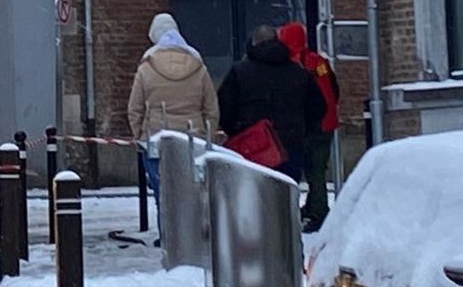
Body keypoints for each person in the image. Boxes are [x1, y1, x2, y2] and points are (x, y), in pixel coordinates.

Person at [127, 13, 219, 211]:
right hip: (194, 141)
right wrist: (207, 137)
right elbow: (211, 109)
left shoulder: (146, 67)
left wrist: (141, 136)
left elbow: (134, 108)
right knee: (192, 194)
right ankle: (190, 237)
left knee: (165, 196)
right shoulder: (198, 66)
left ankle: (168, 237)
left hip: (156, 140)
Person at [216, 24, 326, 181]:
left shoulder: (239, 72)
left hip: (250, 146)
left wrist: (235, 130)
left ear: (253, 43)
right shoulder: (298, 73)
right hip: (290, 144)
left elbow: (224, 107)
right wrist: (300, 130)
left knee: (253, 196)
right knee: (286, 194)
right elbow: (318, 107)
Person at [279, 22, 341, 230]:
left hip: (314, 125)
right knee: (317, 168)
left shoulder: (295, 64)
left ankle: (319, 212)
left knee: (314, 170)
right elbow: (333, 88)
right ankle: (314, 204)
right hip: (328, 122)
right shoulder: (318, 61)